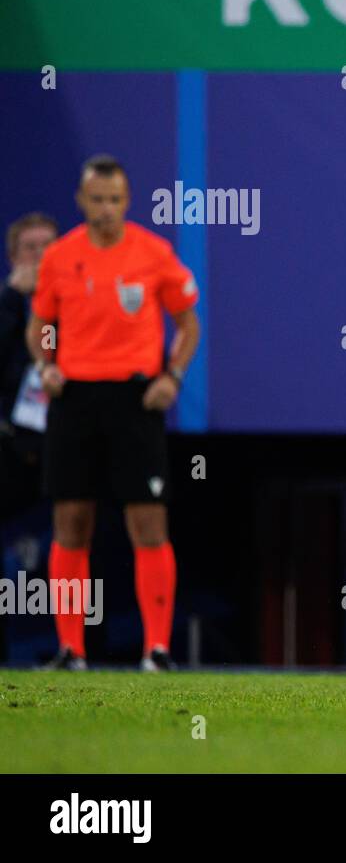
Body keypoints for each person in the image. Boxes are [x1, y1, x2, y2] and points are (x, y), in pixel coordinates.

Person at [27, 155, 201, 671]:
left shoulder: (152, 253)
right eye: (97, 200)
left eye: (115, 200)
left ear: (127, 201)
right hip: (75, 398)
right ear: (81, 202)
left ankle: (157, 648)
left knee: (148, 522)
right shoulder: (60, 257)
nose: (106, 209)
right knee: (70, 521)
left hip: (134, 398)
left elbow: (188, 324)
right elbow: (39, 326)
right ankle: (71, 649)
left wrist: (173, 377)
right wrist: (46, 366)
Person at [1, 212, 59, 662]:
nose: (40, 258)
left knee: (82, 539)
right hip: (10, 450)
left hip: (64, 444)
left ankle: (80, 653)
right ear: (13, 257)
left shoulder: (76, 302)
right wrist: (10, 300)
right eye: (30, 249)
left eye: (48, 248)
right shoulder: (6, 304)